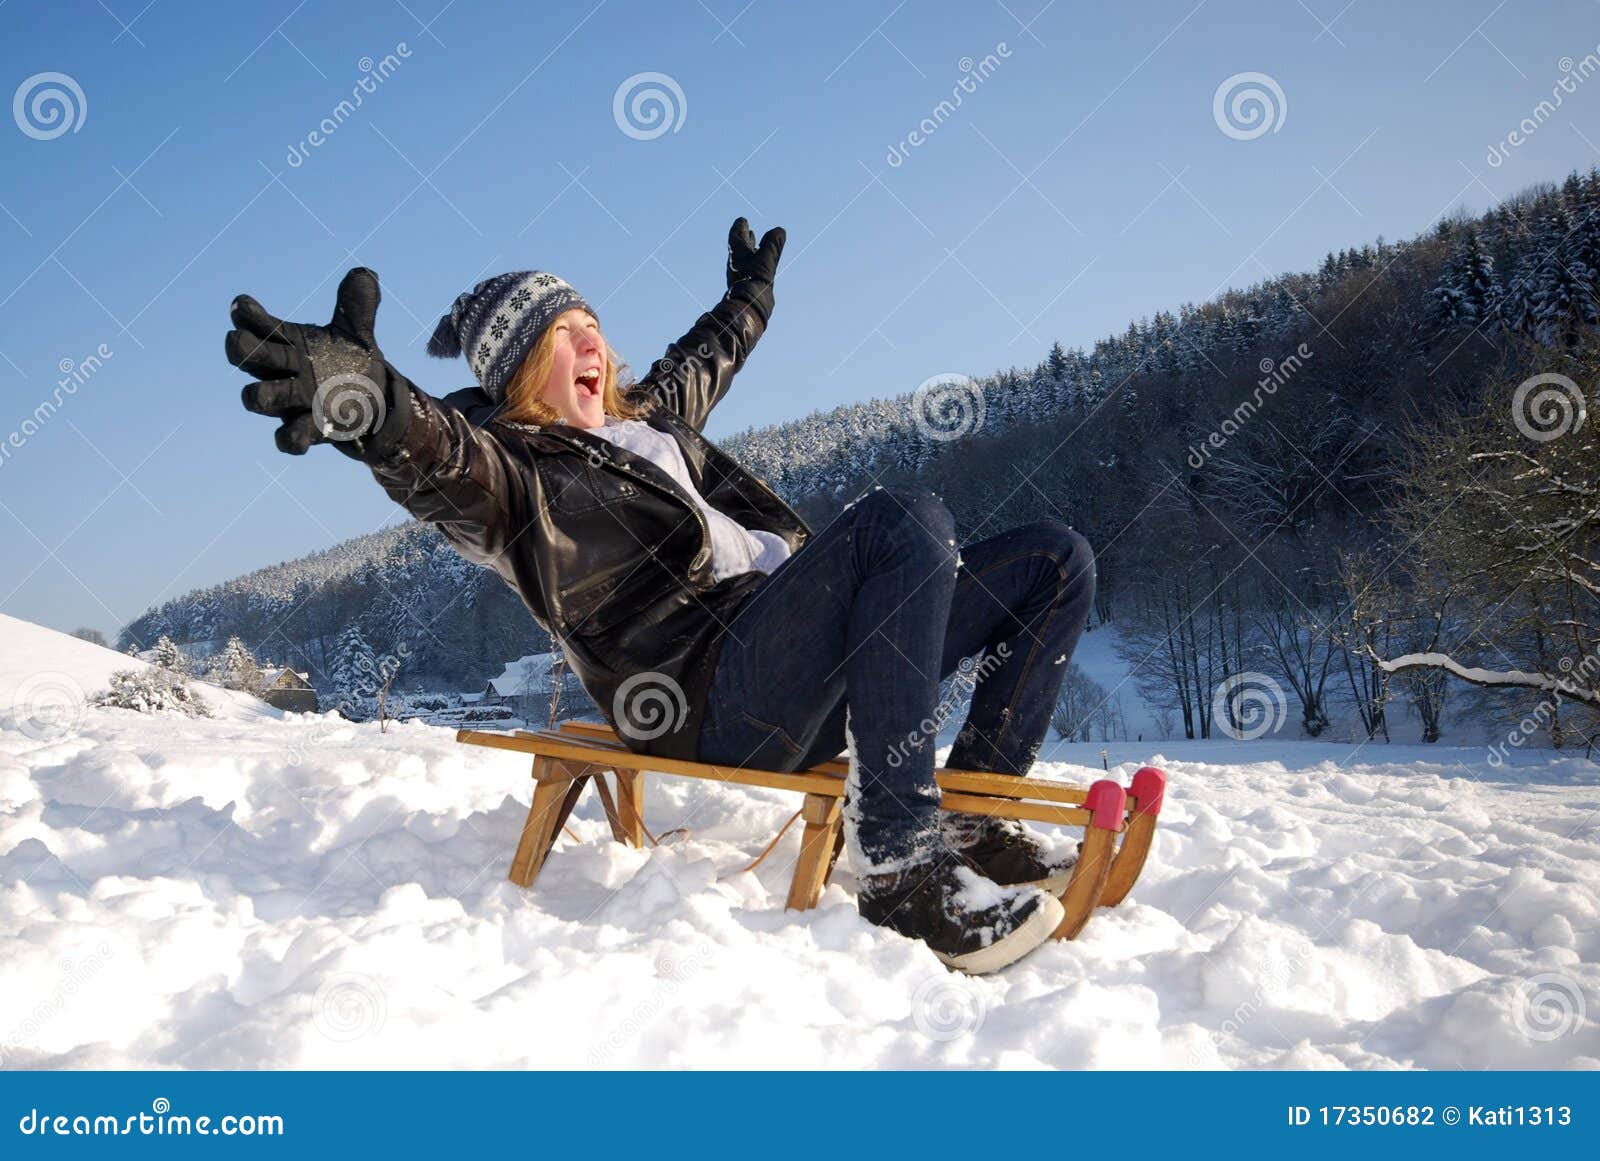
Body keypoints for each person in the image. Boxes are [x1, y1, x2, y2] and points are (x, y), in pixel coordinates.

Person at [224, 218, 1096, 973]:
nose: (591, 343)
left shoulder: (649, 425)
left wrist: (748, 301)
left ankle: (979, 818)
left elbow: (702, 361)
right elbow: (445, 457)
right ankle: (900, 866)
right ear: (523, 368)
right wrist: (371, 403)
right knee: (903, 522)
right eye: (562, 334)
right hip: (711, 689)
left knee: (1054, 561)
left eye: (592, 324)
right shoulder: (521, 476)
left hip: (799, 666)